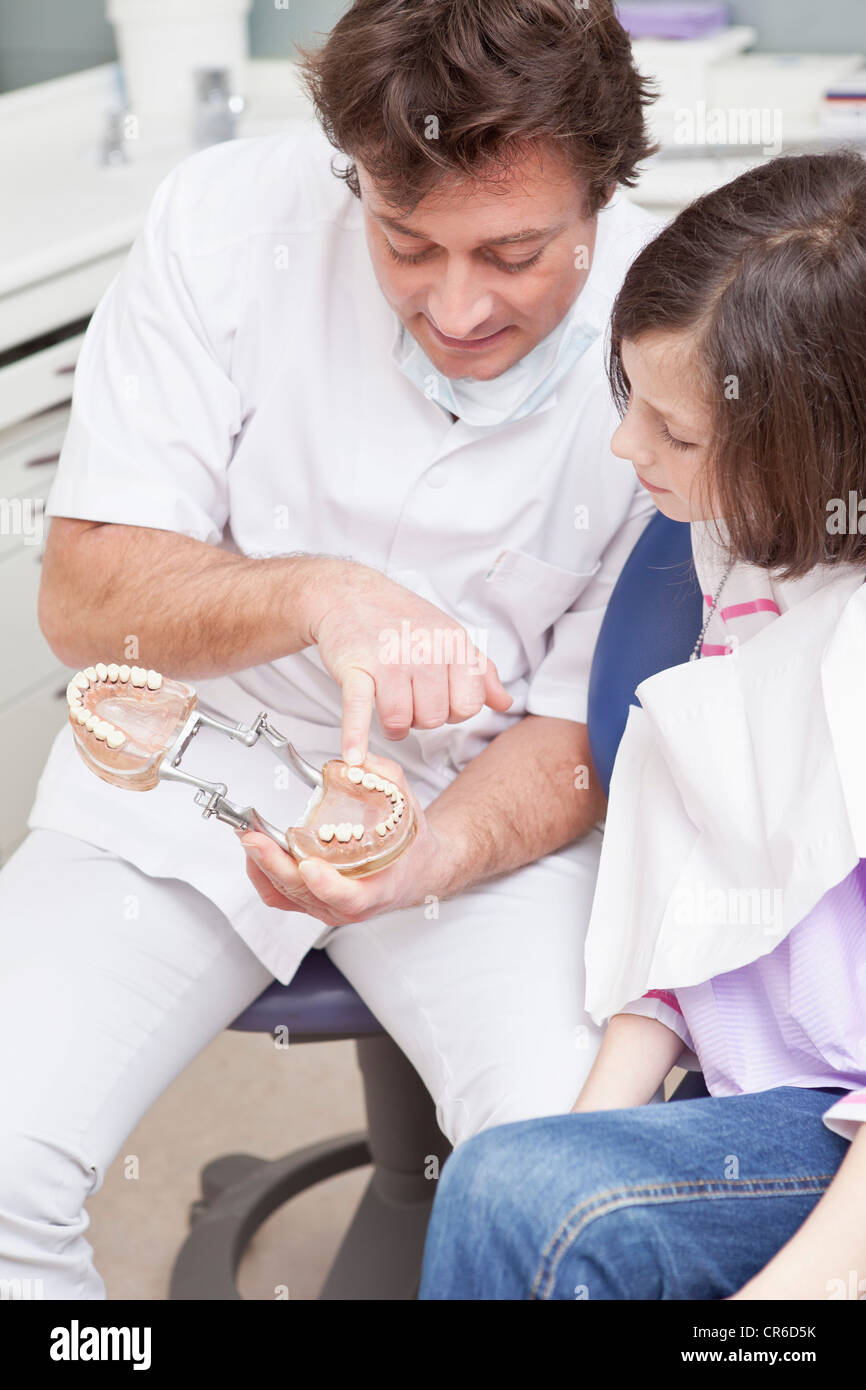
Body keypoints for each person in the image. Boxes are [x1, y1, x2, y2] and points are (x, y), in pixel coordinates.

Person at [0, 1, 659, 1296]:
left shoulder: (680, 320)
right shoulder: (224, 226)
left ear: (600, 191)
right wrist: (317, 594)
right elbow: (86, 595)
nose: (454, 304)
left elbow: (587, 722)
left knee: (584, 1207)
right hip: (193, 770)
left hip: (487, 814)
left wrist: (432, 854)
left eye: (514, 252)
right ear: (351, 172)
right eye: (404, 242)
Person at [418, 150, 866, 1301]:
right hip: (756, 1095)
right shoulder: (751, 573)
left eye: (673, 433)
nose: (629, 453)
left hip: (834, 1127)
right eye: (632, 409)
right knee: (516, 1179)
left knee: (531, 1203)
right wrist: (575, 1138)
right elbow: (697, 900)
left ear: (812, 448)